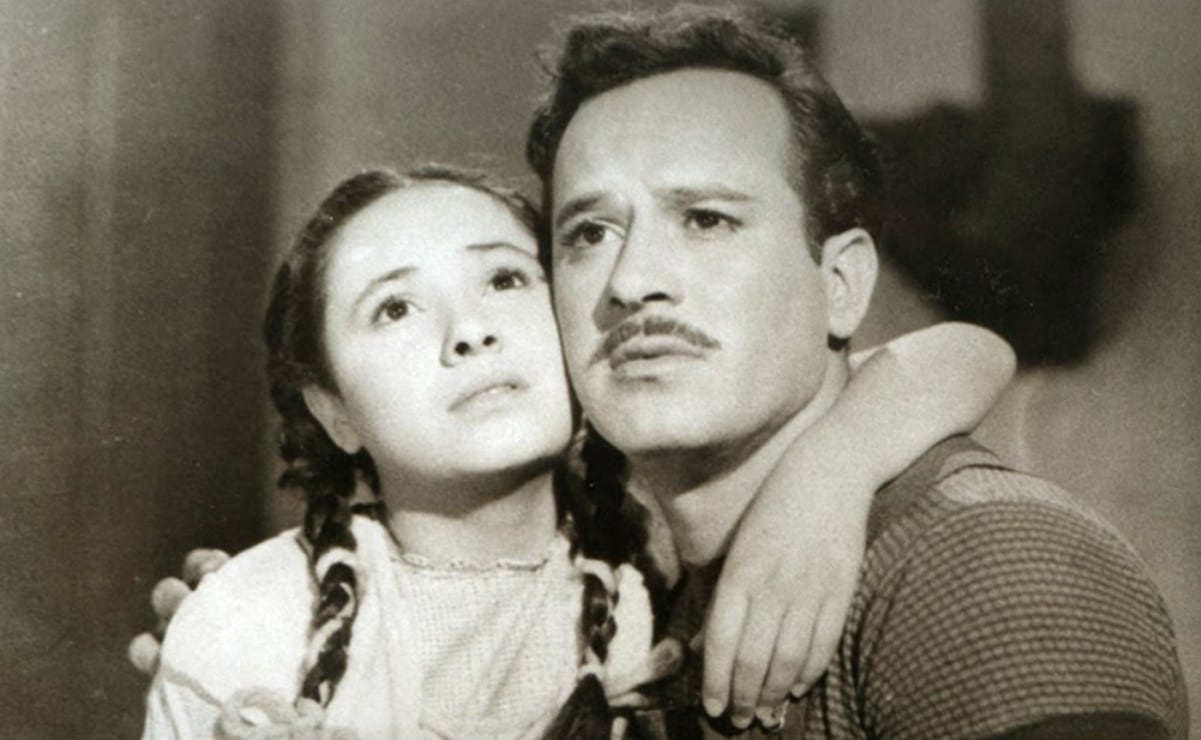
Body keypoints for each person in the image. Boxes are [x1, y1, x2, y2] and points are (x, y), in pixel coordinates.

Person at [140, 161, 1012, 739]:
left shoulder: (659, 554)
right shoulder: (255, 624)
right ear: (334, 412)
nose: (469, 331)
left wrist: (824, 479)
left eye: (504, 278)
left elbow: (964, 354)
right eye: (395, 309)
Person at [524, 5, 1188, 738]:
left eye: (707, 219)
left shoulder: (979, 558)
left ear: (841, 284)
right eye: (589, 233)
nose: (631, 281)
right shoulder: (641, 600)